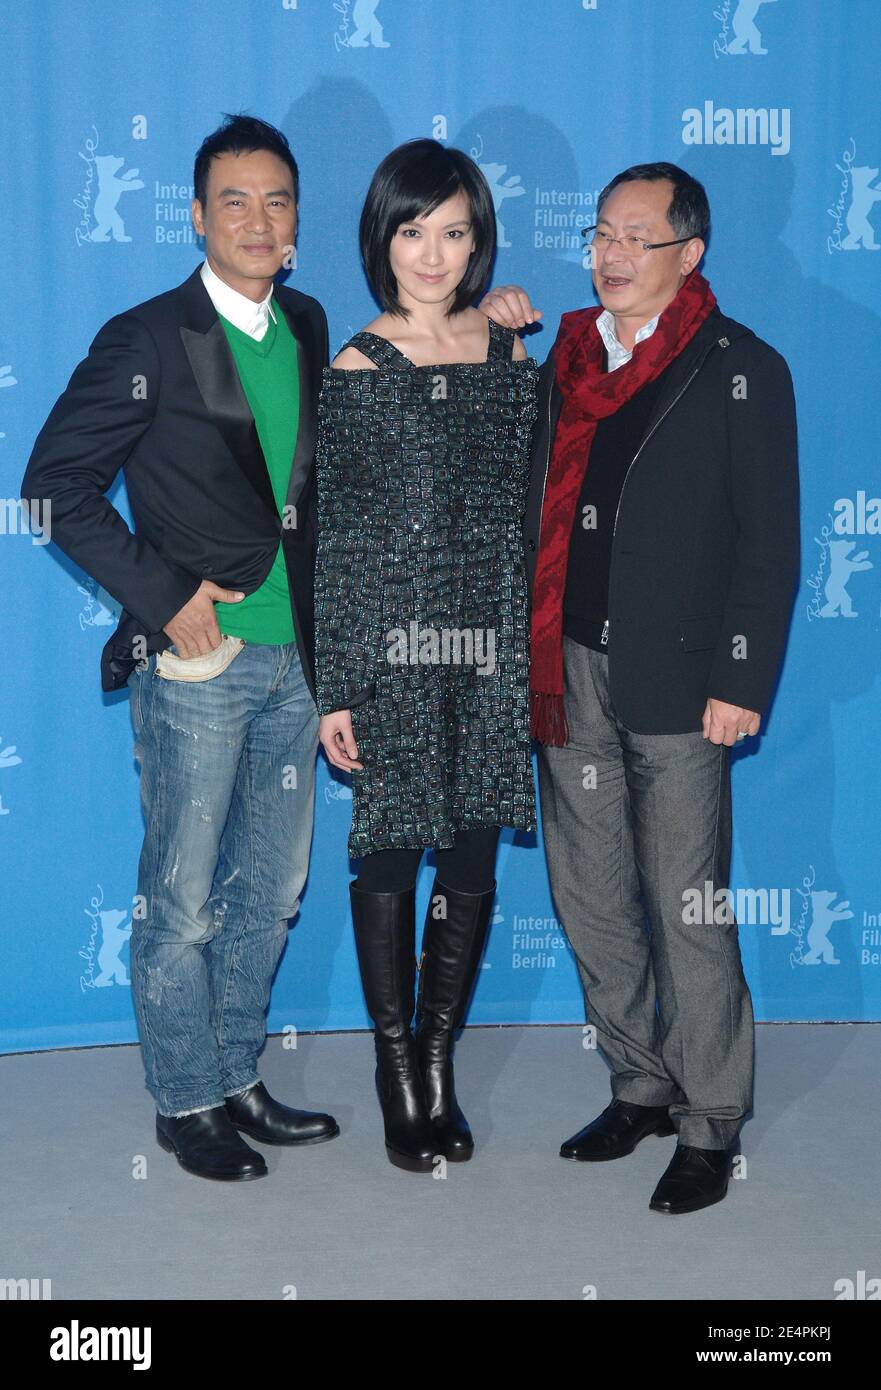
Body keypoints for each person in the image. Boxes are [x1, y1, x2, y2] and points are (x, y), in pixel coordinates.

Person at [21, 115, 339, 1182]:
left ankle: (237, 1072)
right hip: (199, 671)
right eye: (235, 201)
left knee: (272, 891)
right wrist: (163, 599)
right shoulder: (147, 338)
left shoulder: (304, 318)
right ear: (198, 216)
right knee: (184, 900)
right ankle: (185, 1097)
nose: (258, 219)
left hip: (301, 663)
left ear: (296, 223)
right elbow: (51, 488)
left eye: (277, 200)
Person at [481, 162, 799, 1214]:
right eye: (599, 234)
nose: (609, 254)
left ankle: (710, 1122)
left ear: (687, 254)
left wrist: (739, 677)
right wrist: (494, 339)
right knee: (591, 898)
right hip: (564, 666)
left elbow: (768, 543)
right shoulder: (563, 360)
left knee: (686, 907)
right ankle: (638, 1084)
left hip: (677, 683)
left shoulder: (740, 368)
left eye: (635, 236)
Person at [315, 139, 538, 1172]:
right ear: (382, 237)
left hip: (487, 643)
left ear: (477, 239)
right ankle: (395, 1069)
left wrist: (510, 329)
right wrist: (341, 686)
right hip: (395, 647)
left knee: (472, 854)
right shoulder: (358, 361)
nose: (433, 253)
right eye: (414, 230)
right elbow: (343, 539)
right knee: (393, 853)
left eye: (453, 231)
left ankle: (440, 1057)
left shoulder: (508, 356)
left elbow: (534, 492)